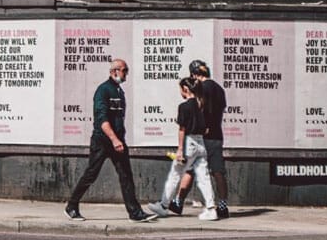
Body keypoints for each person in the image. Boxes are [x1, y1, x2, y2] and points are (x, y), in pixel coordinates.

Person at [65, 59, 157, 223]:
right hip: (102, 141)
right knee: (91, 174)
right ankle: (71, 206)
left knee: (126, 175)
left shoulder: (119, 91)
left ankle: (135, 213)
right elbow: (102, 119)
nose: (126, 74)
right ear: (115, 71)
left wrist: (119, 138)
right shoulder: (103, 90)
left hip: (117, 140)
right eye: (124, 70)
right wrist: (114, 139)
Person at [147, 77, 218, 221]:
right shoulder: (202, 105)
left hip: (189, 143)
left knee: (175, 174)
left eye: (180, 89)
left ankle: (163, 205)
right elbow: (207, 129)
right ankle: (211, 209)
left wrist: (180, 149)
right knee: (204, 177)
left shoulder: (184, 107)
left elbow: (182, 129)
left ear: (185, 90)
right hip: (201, 143)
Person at [168, 59, 230, 219]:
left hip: (200, 136)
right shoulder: (219, 89)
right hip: (216, 135)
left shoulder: (201, 88)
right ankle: (223, 206)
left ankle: (178, 202)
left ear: (195, 75)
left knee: (189, 170)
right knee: (218, 171)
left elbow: (198, 108)